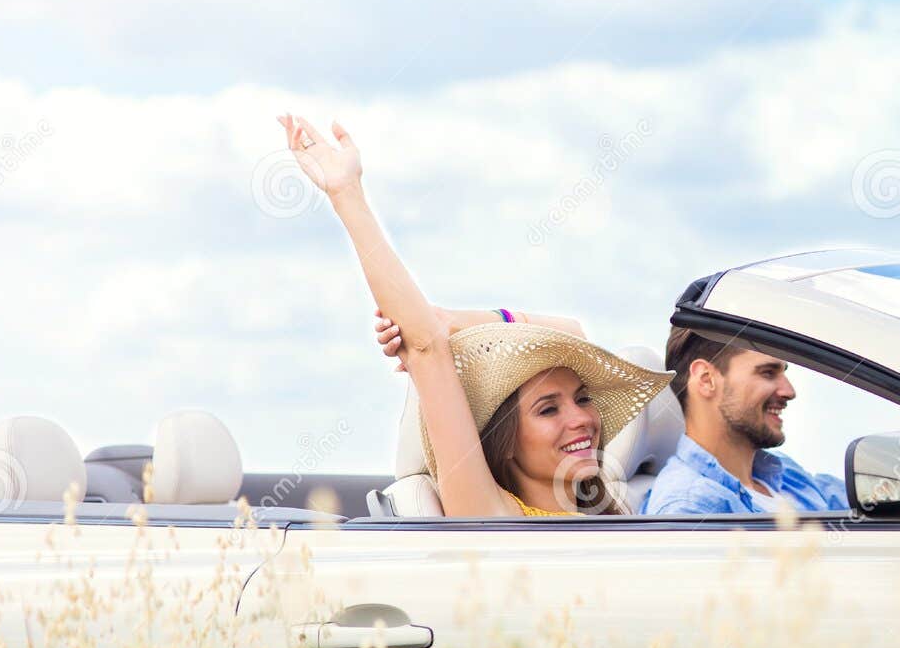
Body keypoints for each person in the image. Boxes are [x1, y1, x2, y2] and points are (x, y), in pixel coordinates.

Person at [279, 113, 670, 517]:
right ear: (507, 441)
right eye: (548, 409)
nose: (581, 419)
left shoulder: (605, 514)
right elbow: (426, 347)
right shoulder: (492, 514)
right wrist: (347, 194)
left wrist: (455, 321)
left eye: (582, 398)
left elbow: (573, 331)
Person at [640, 327, 847, 515]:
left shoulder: (783, 474)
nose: (789, 392)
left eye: (783, 373)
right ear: (706, 379)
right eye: (768, 373)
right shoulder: (691, 507)